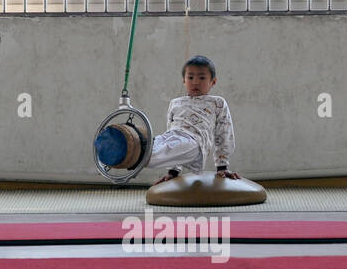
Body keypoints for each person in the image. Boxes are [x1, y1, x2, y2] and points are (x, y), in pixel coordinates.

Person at [95, 55, 240, 183]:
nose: (195, 82)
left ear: (213, 82)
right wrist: (173, 172)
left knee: (166, 149)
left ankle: (134, 153)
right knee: (157, 143)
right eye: (190, 77)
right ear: (184, 80)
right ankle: (117, 147)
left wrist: (222, 165)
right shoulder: (176, 103)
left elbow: (224, 133)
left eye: (202, 77)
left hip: (195, 143)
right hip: (172, 136)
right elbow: (170, 130)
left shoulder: (217, 103)